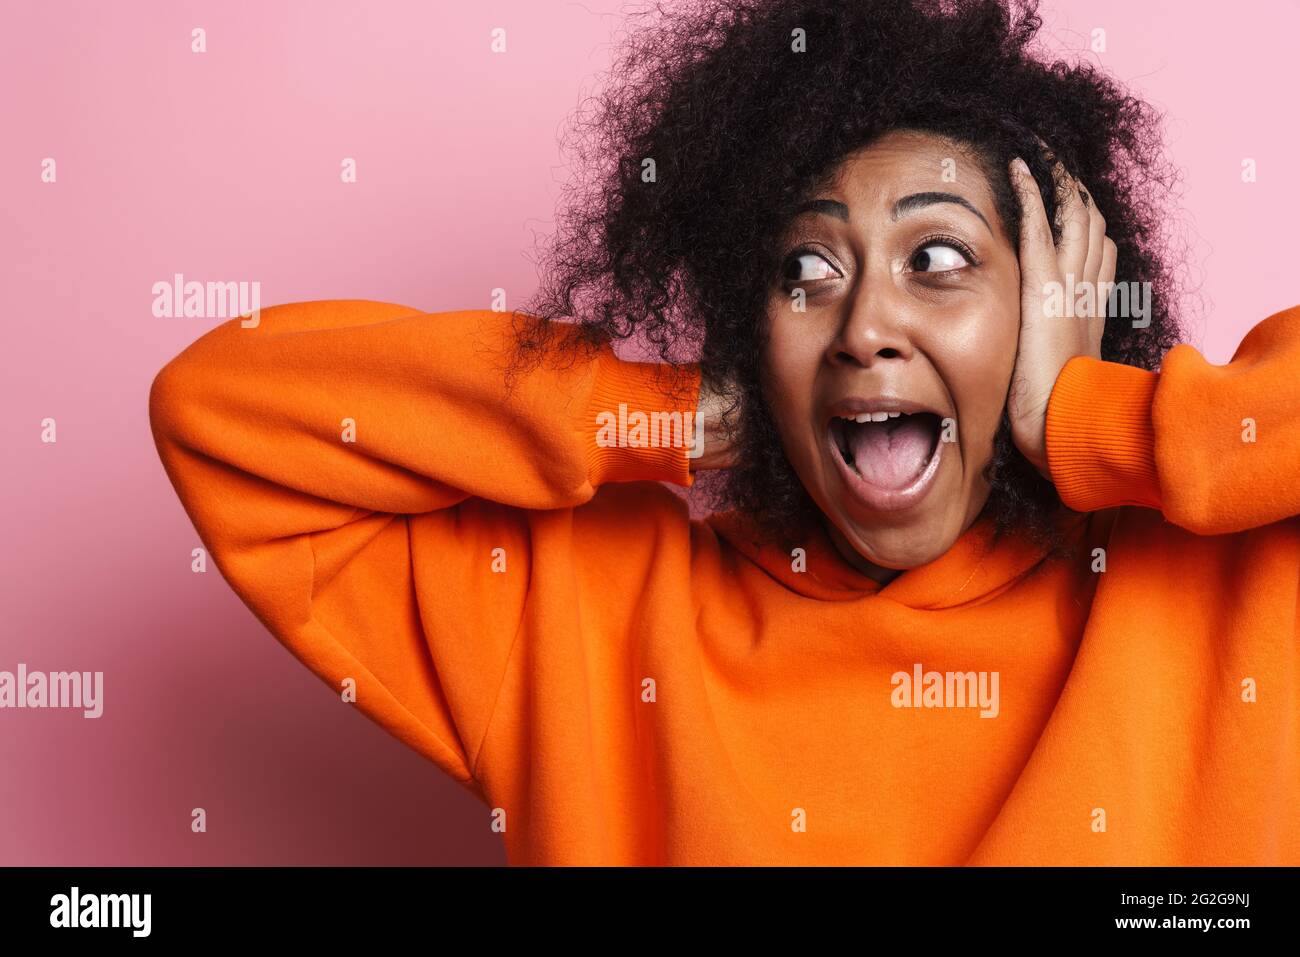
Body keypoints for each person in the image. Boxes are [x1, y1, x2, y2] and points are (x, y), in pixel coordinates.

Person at [148, 0, 1300, 865]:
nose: (864, 328)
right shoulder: (591, 616)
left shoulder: (1224, 596)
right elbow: (222, 408)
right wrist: (682, 413)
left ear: (1050, 297)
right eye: (804, 272)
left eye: (936, 260)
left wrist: (1093, 422)